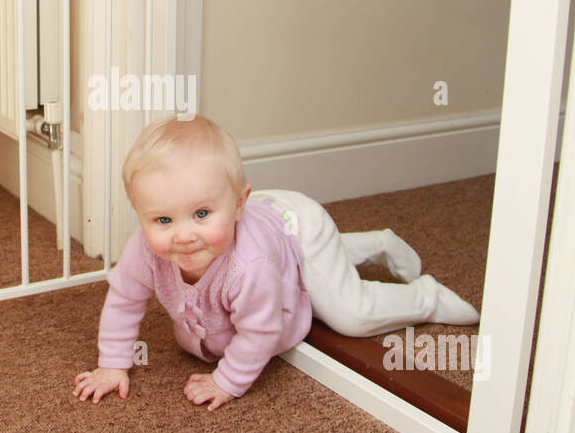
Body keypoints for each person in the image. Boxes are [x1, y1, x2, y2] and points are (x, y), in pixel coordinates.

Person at [73, 113, 479, 411]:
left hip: (298, 226)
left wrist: (227, 381)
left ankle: (427, 297)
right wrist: (112, 365)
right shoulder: (145, 250)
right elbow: (124, 300)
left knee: (350, 314)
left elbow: (261, 330)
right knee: (204, 337)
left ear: (238, 205)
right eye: (163, 220)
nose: (183, 235)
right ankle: (366, 245)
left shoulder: (250, 265)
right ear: (140, 214)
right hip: (264, 228)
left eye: (201, 214)